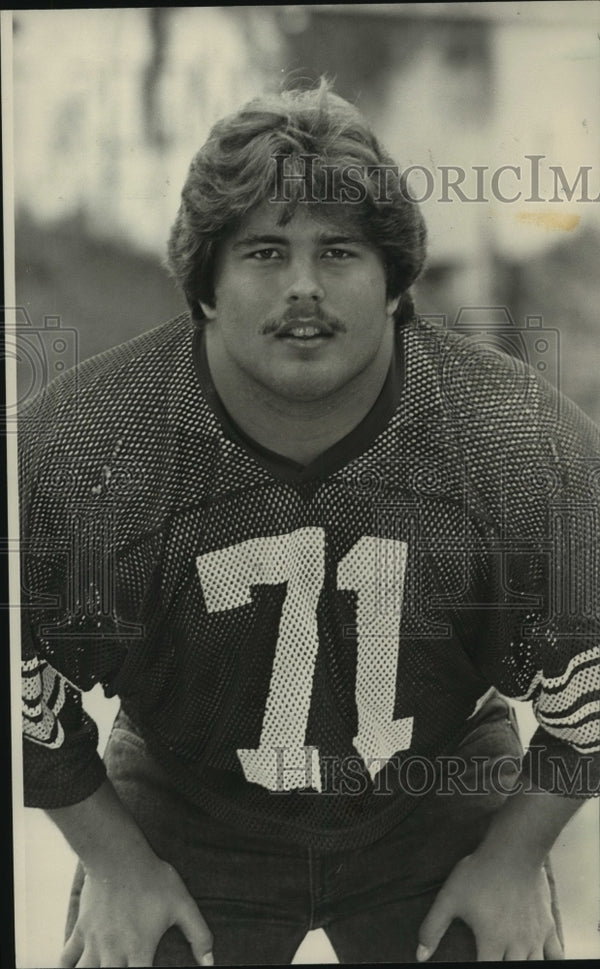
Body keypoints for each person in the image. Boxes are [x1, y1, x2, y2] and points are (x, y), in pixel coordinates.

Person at [20, 81, 599, 966]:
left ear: (395, 282)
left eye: (339, 251)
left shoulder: (511, 438)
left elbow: (592, 684)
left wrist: (514, 858)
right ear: (205, 286)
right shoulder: (92, 445)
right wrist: (116, 862)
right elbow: (24, 686)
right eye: (263, 251)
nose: (302, 287)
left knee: (487, 942)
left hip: (430, 782)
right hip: (189, 790)